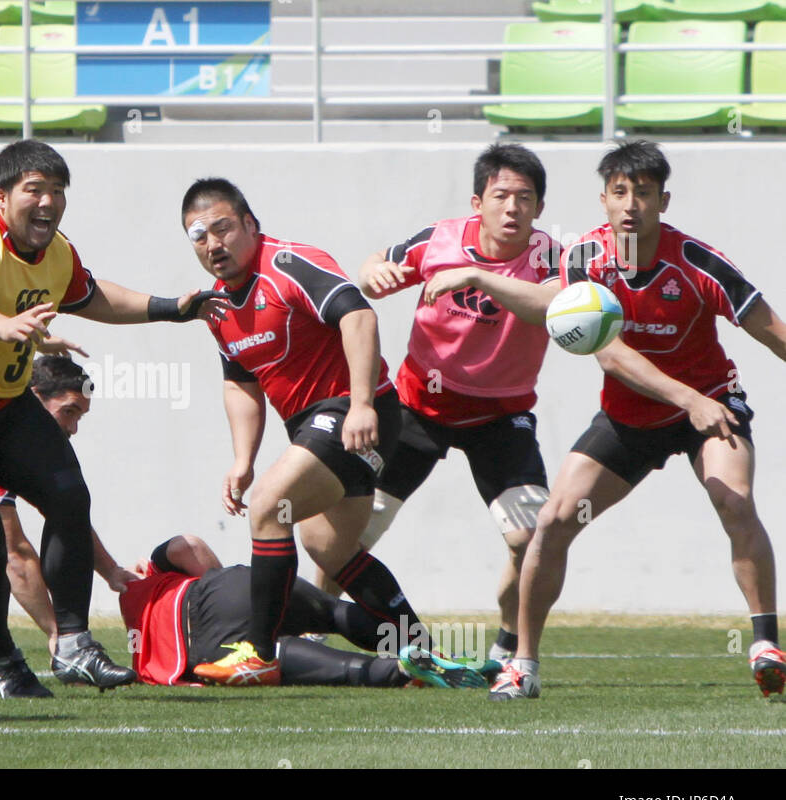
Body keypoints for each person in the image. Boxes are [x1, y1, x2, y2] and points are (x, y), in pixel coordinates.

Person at [0, 138, 217, 698]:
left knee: (68, 496)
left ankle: (74, 645)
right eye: (34, 190)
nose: (48, 202)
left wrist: (169, 309)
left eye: (58, 191)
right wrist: (2, 325)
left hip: (2, 405)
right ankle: (1, 660)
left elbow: (91, 296)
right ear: (0, 197)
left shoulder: (57, 252)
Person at [490, 140, 786, 701]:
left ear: (663, 201)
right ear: (603, 199)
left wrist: (699, 403)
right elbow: (610, 355)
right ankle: (521, 665)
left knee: (734, 499)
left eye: (644, 193)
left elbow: (773, 332)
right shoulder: (584, 260)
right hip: (631, 417)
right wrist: (687, 399)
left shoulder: (698, 261)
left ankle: (766, 645)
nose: (631, 206)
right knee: (553, 521)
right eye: (620, 192)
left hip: (713, 404)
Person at [181, 177, 417, 687]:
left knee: (270, 506)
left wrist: (361, 404)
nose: (212, 244)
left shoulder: (288, 264)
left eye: (222, 228)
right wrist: (242, 460)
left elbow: (359, 316)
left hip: (355, 411)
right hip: (314, 426)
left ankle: (259, 654)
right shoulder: (217, 306)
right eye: (198, 236)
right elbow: (241, 383)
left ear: (250, 224)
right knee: (328, 546)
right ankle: (421, 652)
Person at [356, 143, 560, 668]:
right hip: (417, 407)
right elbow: (374, 267)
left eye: (525, 198)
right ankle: (309, 632)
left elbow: (553, 306)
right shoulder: (439, 239)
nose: (512, 208)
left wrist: (476, 277)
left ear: (539, 208)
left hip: (501, 417)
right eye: (501, 196)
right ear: (477, 203)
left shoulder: (552, 257)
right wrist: (373, 274)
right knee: (350, 530)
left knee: (529, 538)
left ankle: (507, 646)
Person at [0, 354, 139, 678]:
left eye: (80, 417)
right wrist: (58, 636)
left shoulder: (23, 440)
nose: (73, 428)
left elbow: (69, 518)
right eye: (68, 412)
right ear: (33, 399)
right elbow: (15, 557)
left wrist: (111, 571)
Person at [122, 534, 485, 689]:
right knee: (333, 612)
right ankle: (429, 650)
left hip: (207, 635)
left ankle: (403, 669)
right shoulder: (148, 579)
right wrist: (217, 584)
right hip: (231, 585)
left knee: (322, 665)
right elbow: (188, 546)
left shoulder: (136, 636)